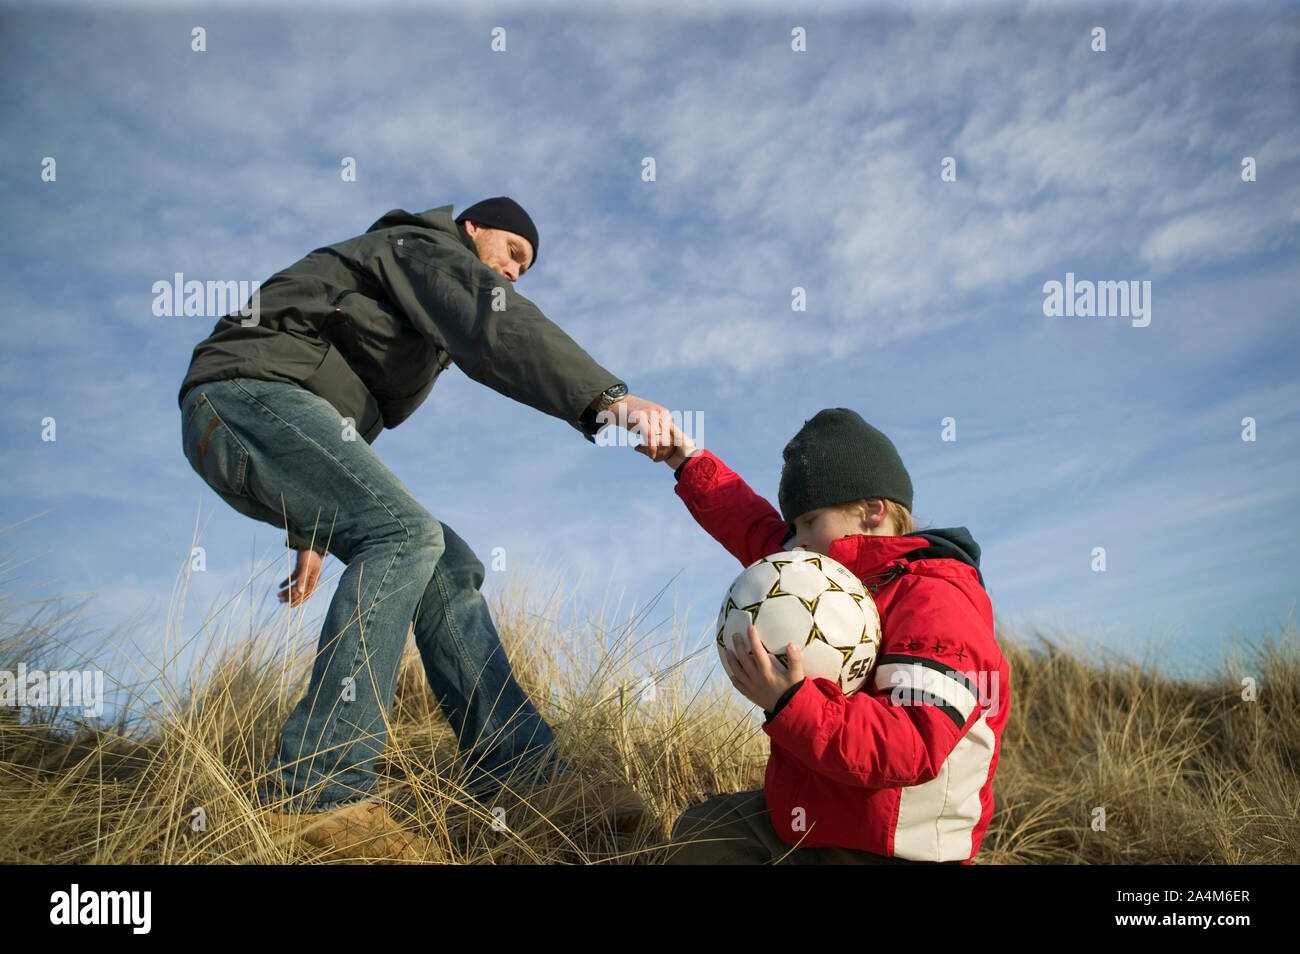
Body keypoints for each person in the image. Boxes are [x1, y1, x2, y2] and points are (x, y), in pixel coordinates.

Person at [178, 196, 674, 860]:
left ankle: (522, 783)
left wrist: (311, 533)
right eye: (513, 253)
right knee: (403, 535)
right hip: (240, 394)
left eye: (526, 267)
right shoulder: (417, 247)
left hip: (270, 411)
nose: (516, 273)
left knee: (443, 560)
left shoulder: (412, 300)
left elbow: (326, 409)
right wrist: (606, 397)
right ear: (472, 229)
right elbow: (494, 327)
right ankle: (316, 790)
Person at [643, 408, 1009, 864]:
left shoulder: (937, 602)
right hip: (809, 825)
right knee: (705, 833)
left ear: (872, 511)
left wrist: (791, 701)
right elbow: (750, 525)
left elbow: (911, 745)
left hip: (894, 849)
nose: (795, 542)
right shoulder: (818, 576)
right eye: (793, 527)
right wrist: (687, 461)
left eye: (810, 521)